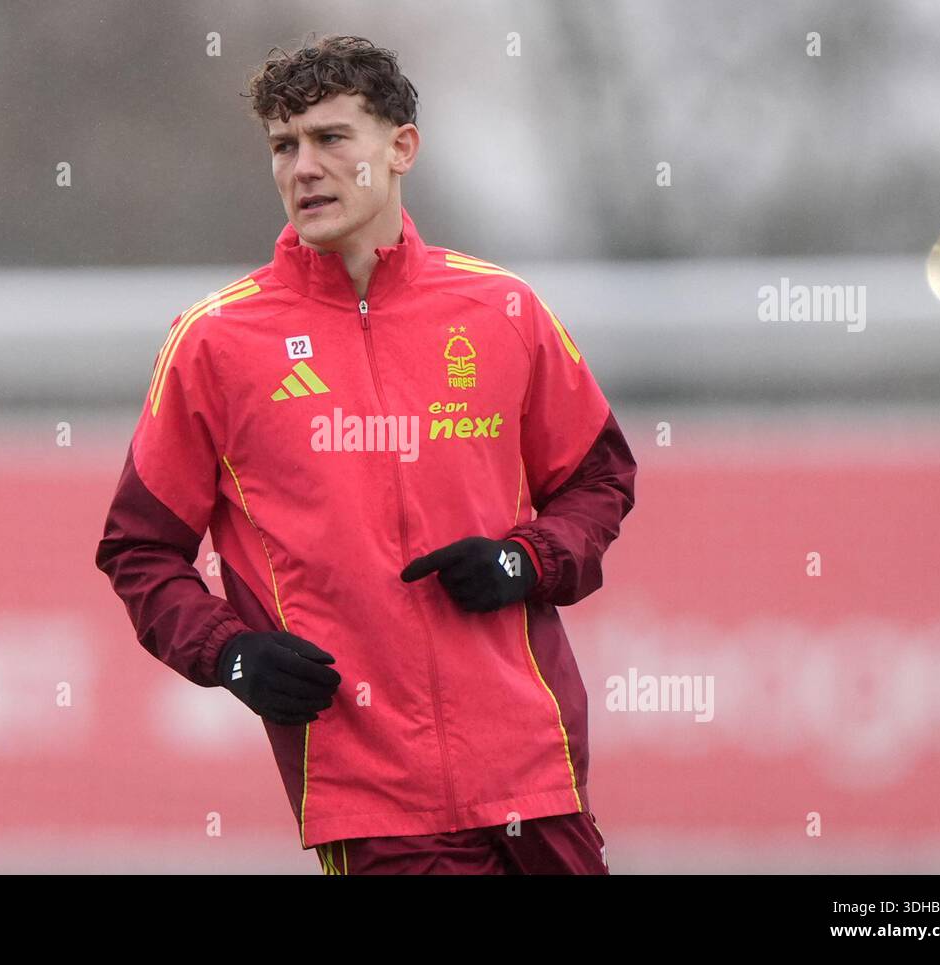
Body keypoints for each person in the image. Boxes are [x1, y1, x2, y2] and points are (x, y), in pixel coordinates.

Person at [95, 34, 636, 875]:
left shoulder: (505, 310)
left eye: (331, 138)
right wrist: (231, 651)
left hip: (538, 775)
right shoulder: (214, 343)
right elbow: (138, 548)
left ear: (400, 148)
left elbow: (599, 479)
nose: (303, 167)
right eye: (284, 145)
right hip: (372, 796)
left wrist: (524, 560)